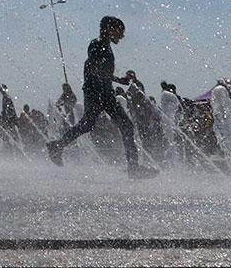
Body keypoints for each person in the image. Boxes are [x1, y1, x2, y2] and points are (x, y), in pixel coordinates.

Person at [47, 15, 153, 177]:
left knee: (124, 125)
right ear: (110, 29)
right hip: (95, 92)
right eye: (120, 31)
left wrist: (117, 80)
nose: (122, 36)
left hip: (105, 92)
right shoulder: (96, 45)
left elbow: (101, 71)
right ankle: (57, 146)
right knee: (90, 124)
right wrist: (118, 79)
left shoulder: (106, 46)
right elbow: (93, 68)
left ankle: (133, 167)